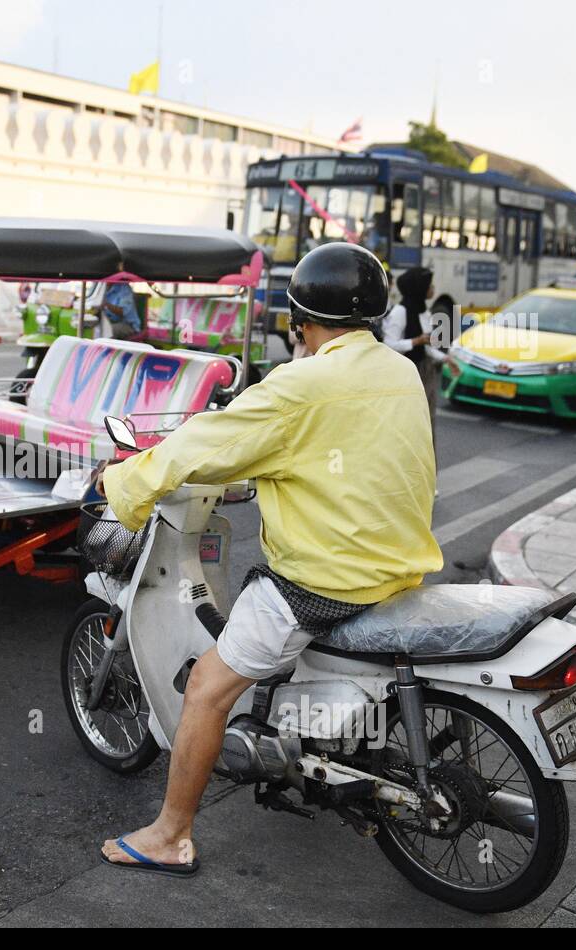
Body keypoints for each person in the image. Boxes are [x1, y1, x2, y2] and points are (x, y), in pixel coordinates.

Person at [96, 242, 442, 876]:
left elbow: (205, 442)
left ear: (299, 321)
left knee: (205, 688)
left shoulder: (301, 383)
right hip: (399, 565)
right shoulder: (400, 371)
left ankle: (169, 836)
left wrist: (124, 481)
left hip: (325, 581)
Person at [380, 266, 446, 447]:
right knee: (408, 422)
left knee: (427, 420)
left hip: (426, 371)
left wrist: (446, 358)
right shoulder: (400, 312)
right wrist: (414, 342)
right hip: (407, 372)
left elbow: (427, 346)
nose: (432, 289)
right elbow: (388, 344)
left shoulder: (423, 311)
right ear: (419, 288)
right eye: (429, 285)